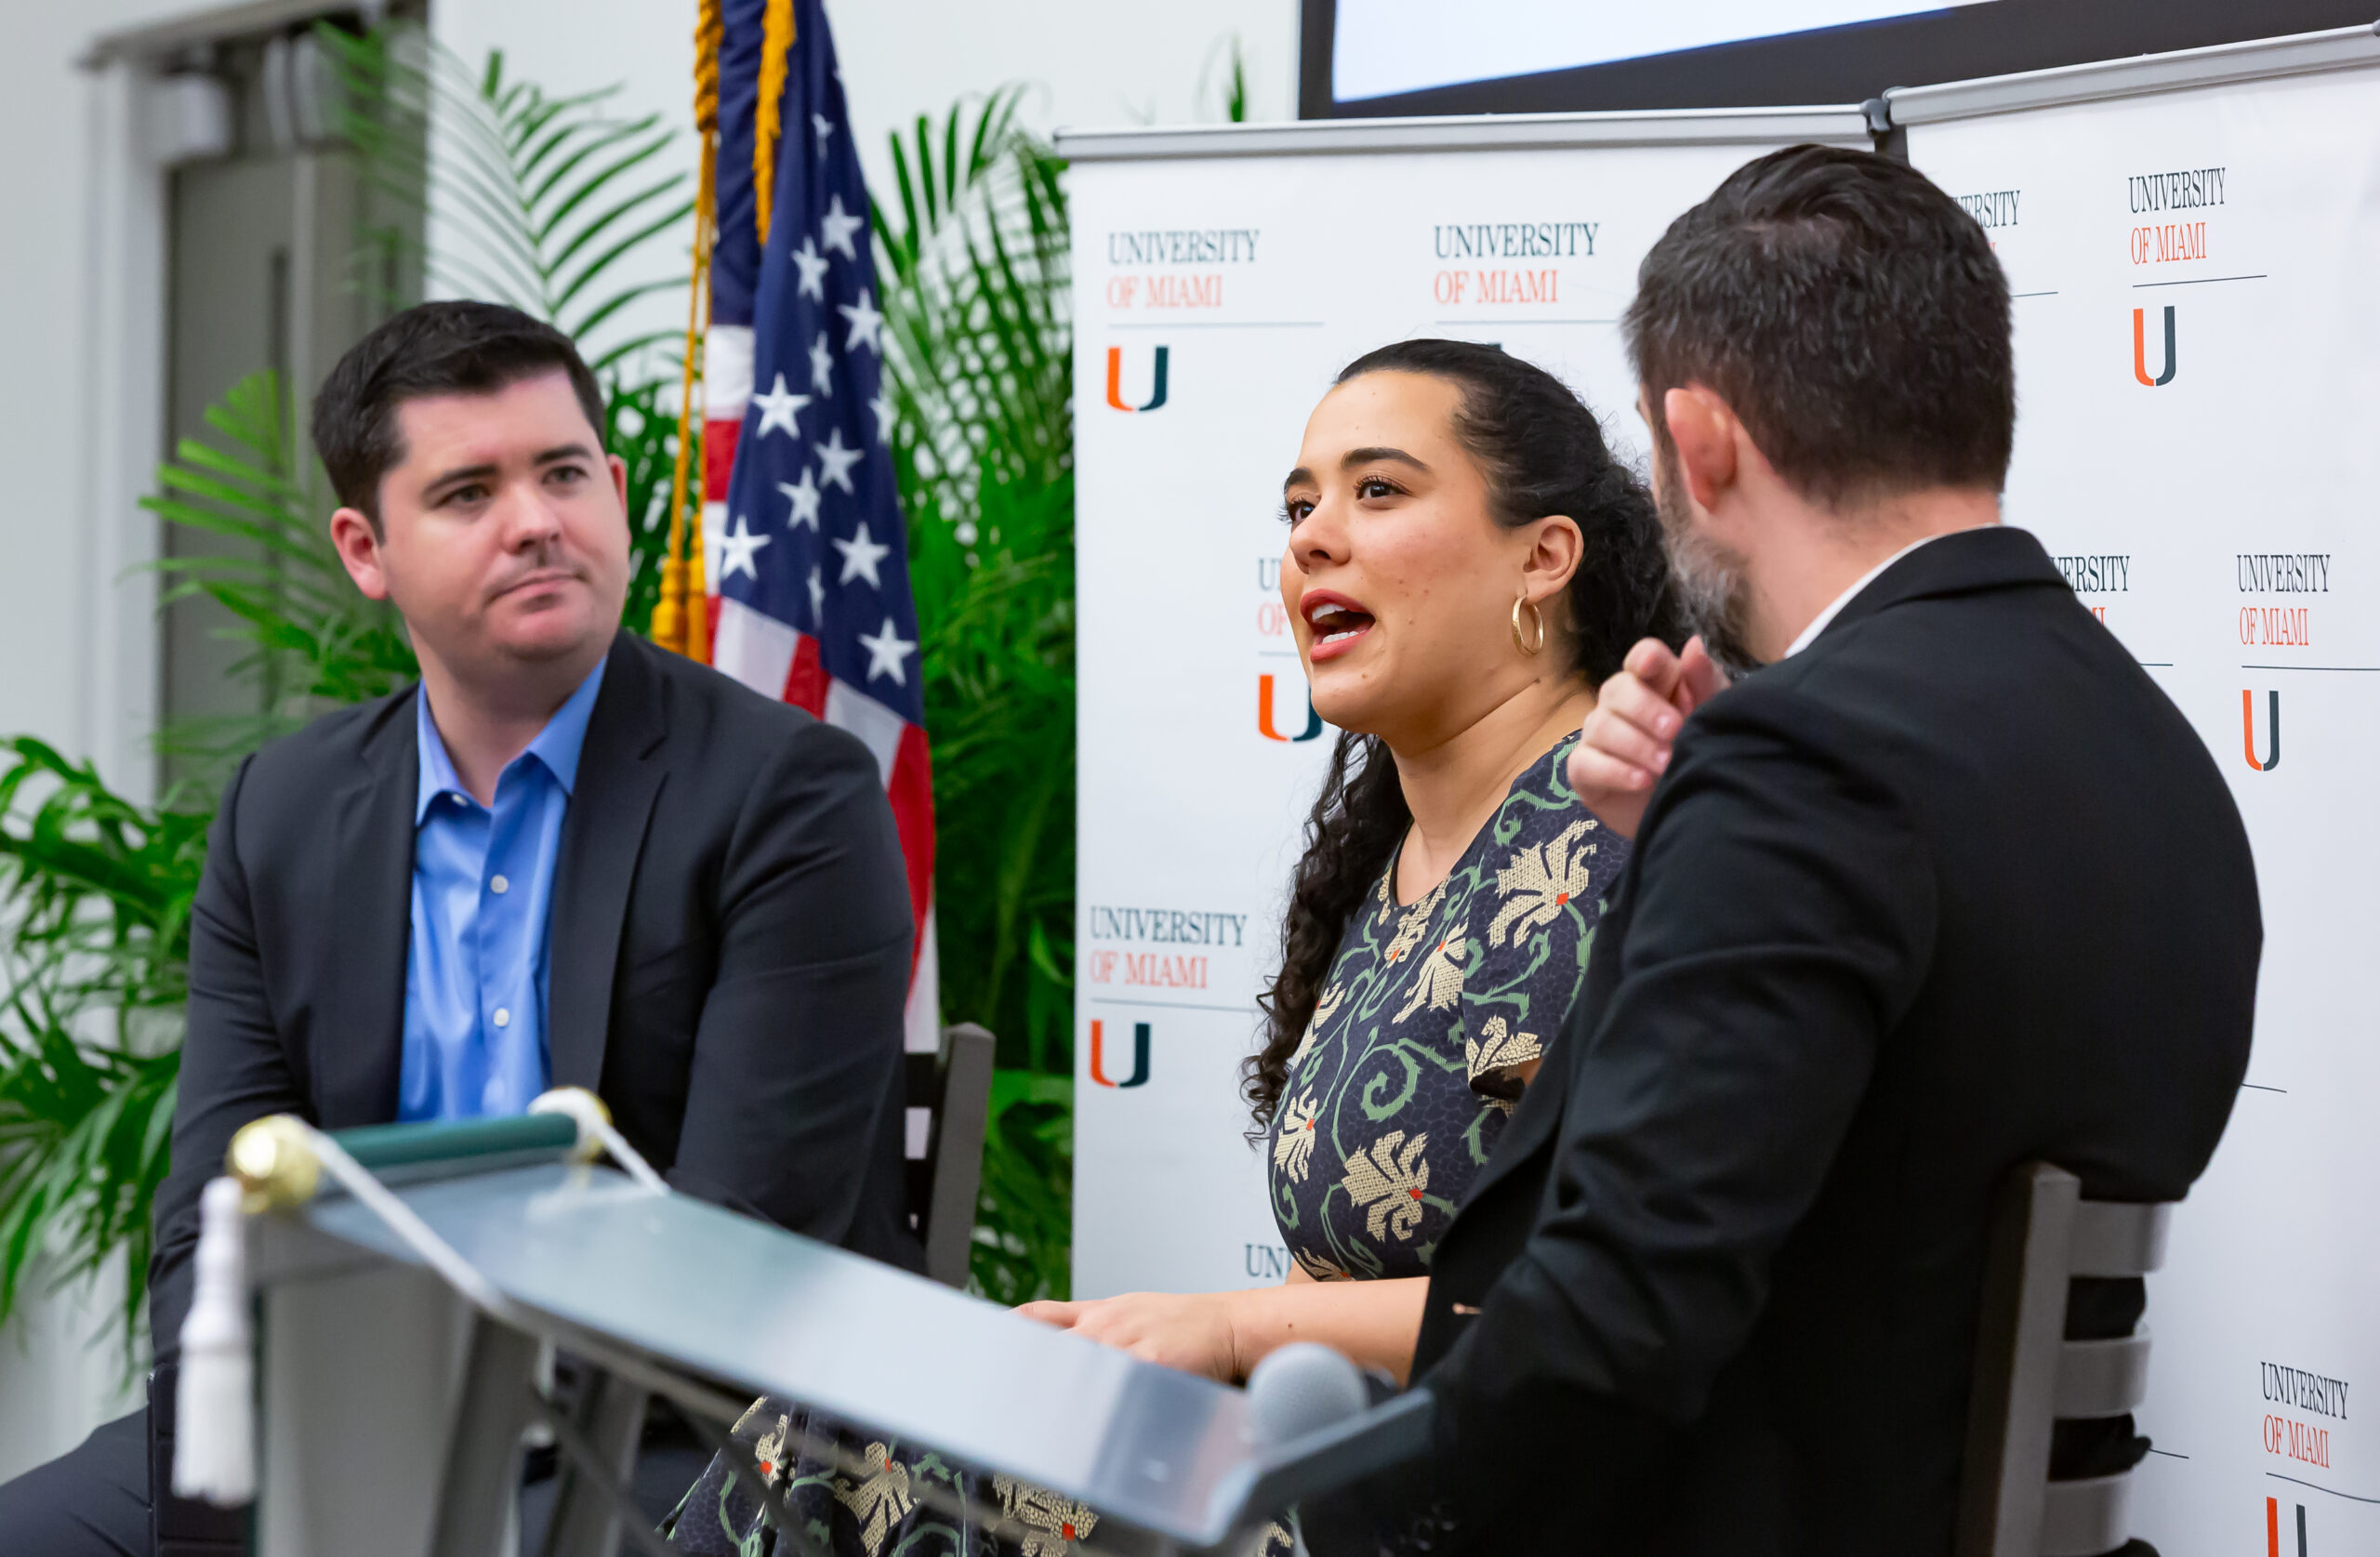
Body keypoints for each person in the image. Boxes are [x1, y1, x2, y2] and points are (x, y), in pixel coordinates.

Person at [1306, 145, 2261, 1556]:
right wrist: (1696, 843)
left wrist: (1336, 1511)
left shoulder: (1805, 768)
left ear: (1700, 443)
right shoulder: (2163, 760)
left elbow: (1608, 1334)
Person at [664, 339, 1683, 1555]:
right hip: (1328, 1464)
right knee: (852, 1403)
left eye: (1378, 490)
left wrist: (1228, 1333)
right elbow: (1343, 1284)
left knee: (843, 1435)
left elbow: (1599, 1300)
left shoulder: (1609, 836)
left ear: (1545, 556)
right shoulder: (1402, 858)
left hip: (1496, 1503)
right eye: (1298, 507)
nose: (1312, 538)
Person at [0, 300, 920, 1556]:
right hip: (334, 1415)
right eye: (469, 492)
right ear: (364, 549)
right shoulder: (284, 811)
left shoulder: (788, 797)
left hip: (678, 1439)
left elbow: (735, 1253)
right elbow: (215, 1206)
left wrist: (439, 1413)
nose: (535, 520)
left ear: (617, 495)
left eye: (564, 474)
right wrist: (242, 1430)